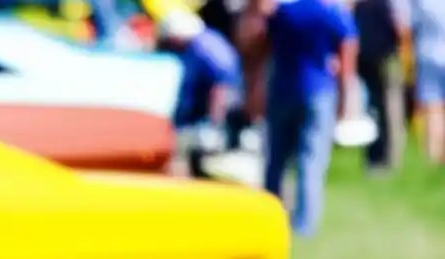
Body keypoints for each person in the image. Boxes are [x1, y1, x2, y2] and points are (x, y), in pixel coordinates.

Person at [257, 0, 358, 238]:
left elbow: (265, 45)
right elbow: (347, 51)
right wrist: (346, 97)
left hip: (282, 90)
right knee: (310, 161)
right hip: (319, 91)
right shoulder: (330, 12)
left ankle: (268, 217)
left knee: (275, 160)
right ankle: (304, 224)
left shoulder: (283, 13)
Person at [159, 12, 244, 177]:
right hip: (207, 109)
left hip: (212, 113)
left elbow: (221, 86)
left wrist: (214, 122)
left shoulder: (203, 47)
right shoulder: (205, 41)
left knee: (202, 155)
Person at [355, 0, 412, 170]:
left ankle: (376, 156)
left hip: (368, 59)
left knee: (374, 109)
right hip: (383, 59)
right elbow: (401, 29)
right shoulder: (390, 4)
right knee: (387, 110)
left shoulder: (360, 5)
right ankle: (387, 157)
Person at [412, 0, 445, 162]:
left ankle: (433, 157)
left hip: (428, 53)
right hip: (431, 52)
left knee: (433, 109)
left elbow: (408, 22)